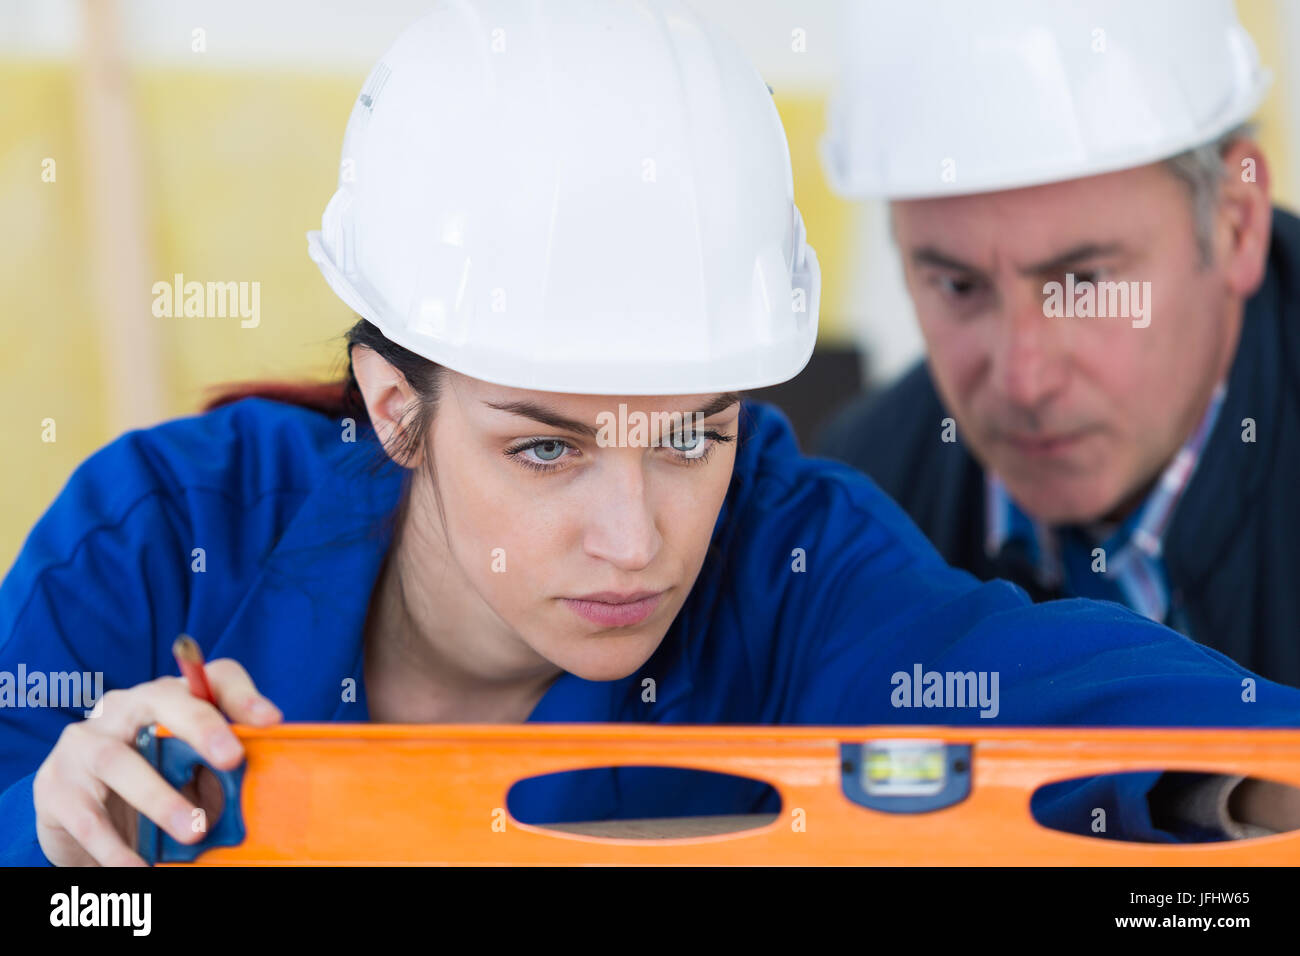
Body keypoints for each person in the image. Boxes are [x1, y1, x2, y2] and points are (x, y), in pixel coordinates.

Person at [2, 0, 1299, 868]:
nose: (639, 541)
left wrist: (1240, 784)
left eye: (691, 434)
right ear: (398, 410)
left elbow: (1047, 686)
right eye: (547, 449)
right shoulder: (153, 544)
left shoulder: (790, 562)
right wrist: (48, 844)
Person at [815, 0, 1300, 687]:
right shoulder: (860, 510)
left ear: (1236, 226)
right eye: (958, 286)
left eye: (1085, 282)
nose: (1022, 379)